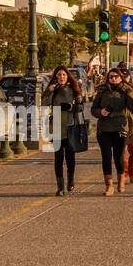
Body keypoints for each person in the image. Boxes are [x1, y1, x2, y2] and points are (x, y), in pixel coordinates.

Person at [90, 67, 133, 196]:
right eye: (111, 76)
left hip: (120, 127)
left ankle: (121, 182)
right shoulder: (102, 91)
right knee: (106, 157)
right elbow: (93, 109)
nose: (113, 79)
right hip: (104, 128)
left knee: (119, 156)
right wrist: (100, 112)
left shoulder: (126, 90)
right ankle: (109, 186)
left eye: (116, 76)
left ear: (121, 78)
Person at [42, 67, 82, 196]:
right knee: (58, 159)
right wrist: (50, 92)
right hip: (57, 127)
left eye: (64, 74)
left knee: (70, 158)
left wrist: (71, 107)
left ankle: (70, 179)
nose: (62, 77)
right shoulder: (53, 90)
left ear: (68, 76)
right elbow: (44, 104)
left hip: (70, 126)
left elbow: (80, 107)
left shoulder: (74, 89)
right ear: (55, 77)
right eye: (59, 75)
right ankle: (60, 187)